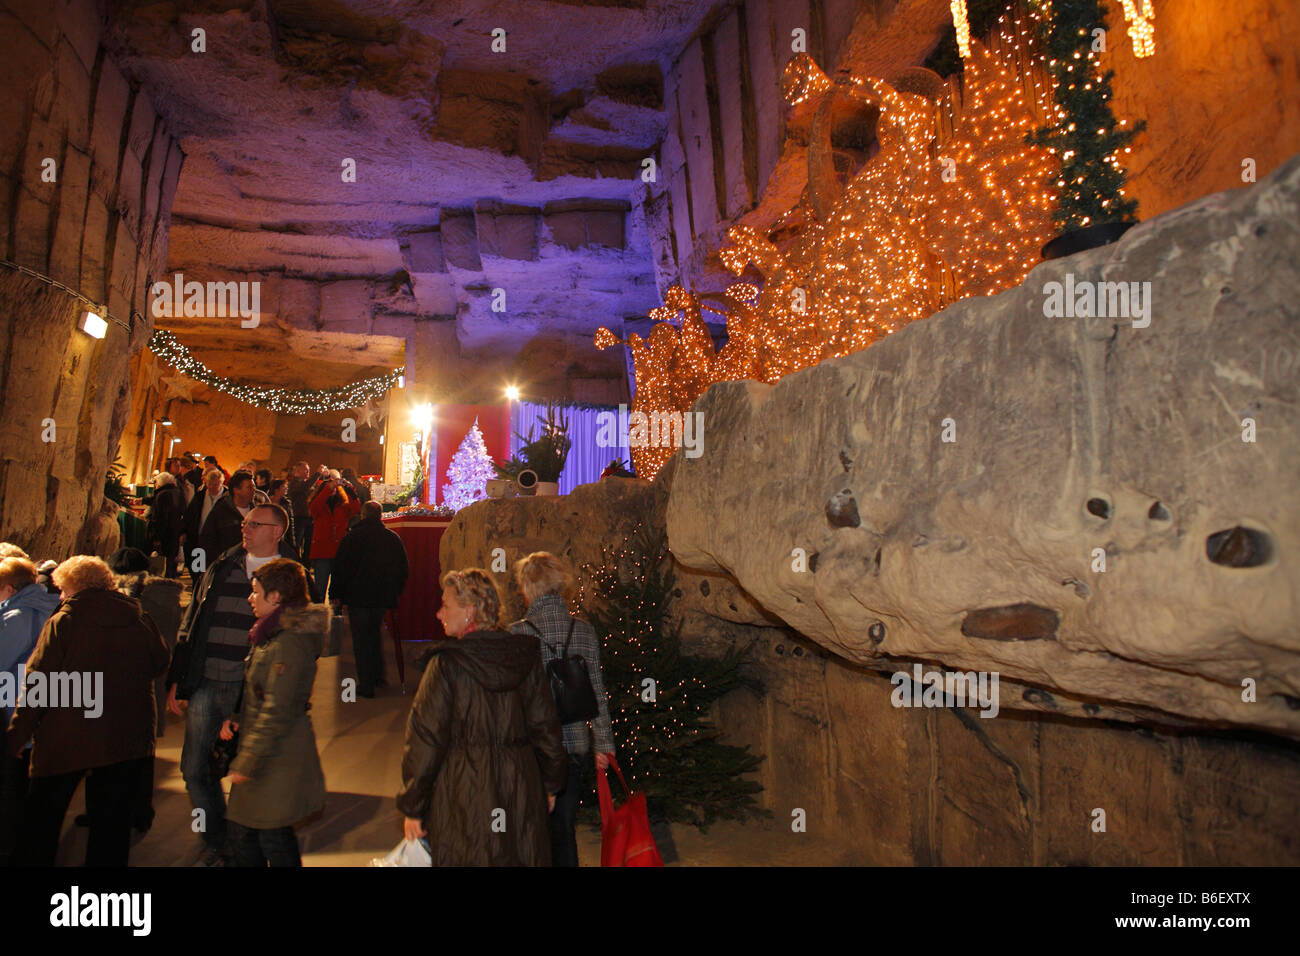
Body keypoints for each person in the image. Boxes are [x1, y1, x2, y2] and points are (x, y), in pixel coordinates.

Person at [167, 502, 317, 866]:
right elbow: (194, 619)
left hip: (251, 688)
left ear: (277, 532)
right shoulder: (224, 564)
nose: (245, 529)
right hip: (207, 677)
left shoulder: (292, 575)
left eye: (255, 524)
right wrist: (179, 677)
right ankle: (221, 841)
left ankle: (240, 847)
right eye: (245, 523)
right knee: (194, 769)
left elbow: (303, 640)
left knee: (246, 775)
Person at [396, 569, 566, 866]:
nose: (438, 614)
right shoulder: (522, 658)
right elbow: (545, 726)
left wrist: (414, 805)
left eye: (446, 605)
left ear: (469, 610)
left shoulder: (446, 665)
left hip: (462, 793)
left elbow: (425, 739)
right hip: (519, 787)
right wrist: (550, 784)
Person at [6, 556, 168, 867]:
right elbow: (160, 661)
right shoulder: (137, 617)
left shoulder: (65, 621)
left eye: (63, 590)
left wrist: (18, 734)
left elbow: (40, 683)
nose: (62, 597)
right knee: (111, 826)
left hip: (69, 734)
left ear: (74, 587)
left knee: (42, 819)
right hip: (125, 734)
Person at [510, 551, 616, 867]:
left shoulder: (518, 633)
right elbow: (596, 690)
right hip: (575, 747)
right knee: (564, 829)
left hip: (533, 749)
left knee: (531, 830)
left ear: (528, 588)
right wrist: (604, 746)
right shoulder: (584, 631)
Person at [218, 558, 326, 867]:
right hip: (268, 755)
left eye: (256, 592)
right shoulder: (270, 634)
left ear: (276, 597)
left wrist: (246, 762)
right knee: (255, 835)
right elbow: (262, 694)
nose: (250, 598)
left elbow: (278, 709)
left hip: (277, 758)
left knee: (267, 838)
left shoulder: (288, 643)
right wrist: (238, 719)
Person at [110, 547, 183, 834]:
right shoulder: (167, 599)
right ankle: (141, 811)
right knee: (144, 752)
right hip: (155, 682)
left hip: (129, 685)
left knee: (118, 756)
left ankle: (118, 812)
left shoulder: (133, 601)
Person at [0, 557, 60, 864]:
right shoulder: (49, 607)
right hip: (40, 705)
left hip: (14, 706)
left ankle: (10, 844)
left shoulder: (19, 615)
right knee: (26, 781)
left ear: (9, 588)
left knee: (12, 782)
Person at [329, 501, 408, 697]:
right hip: (381, 597)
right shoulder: (392, 538)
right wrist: (394, 591)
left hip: (358, 597)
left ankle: (366, 683)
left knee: (361, 640)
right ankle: (378, 676)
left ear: (362, 516)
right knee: (375, 634)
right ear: (380, 516)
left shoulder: (352, 538)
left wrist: (335, 594)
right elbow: (403, 569)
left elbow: (340, 568)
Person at [307, 471, 358, 598]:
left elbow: (355, 508)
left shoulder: (343, 505)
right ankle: (320, 613)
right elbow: (314, 507)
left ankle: (336, 612)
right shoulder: (318, 506)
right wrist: (328, 488)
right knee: (320, 587)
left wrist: (350, 490)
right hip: (322, 551)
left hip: (339, 551)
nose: (334, 489)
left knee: (337, 589)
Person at [183, 469, 226, 589]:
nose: (212, 487)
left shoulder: (227, 498)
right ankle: (197, 590)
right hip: (199, 541)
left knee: (214, 571)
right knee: (197, 570)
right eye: (210, 484)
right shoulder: (200, 496)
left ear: (221, 483)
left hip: (218, 543)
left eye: (216, 484)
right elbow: (189, 516)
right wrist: (184, 532)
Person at [147, 471, 185, 578]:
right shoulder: (178, 493)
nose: (156, 485)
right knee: (171, 560)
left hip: (164, 534)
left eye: (157, 483)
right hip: (175, 532)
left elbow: (159, 517)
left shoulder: (162, 495)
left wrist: (156, 537)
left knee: (160, 562)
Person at [287, 462, 323, 559]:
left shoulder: (308, 484)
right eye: (305, 470)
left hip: (309, 518)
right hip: (298, 518)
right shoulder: (294, 484)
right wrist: (317, 474)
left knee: (309, 544)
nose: (308, 472)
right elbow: (303, 488)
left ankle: (306, 564)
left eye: (308, 470)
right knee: (297, 543)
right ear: (297, 471)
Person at [267, 479, 296, 556]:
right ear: (277, 489)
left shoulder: (286, 503)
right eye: (284, 486)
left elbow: (290, 521)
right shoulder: (267, 500)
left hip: (283, 534)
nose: (286, 488)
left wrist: (291, 541)